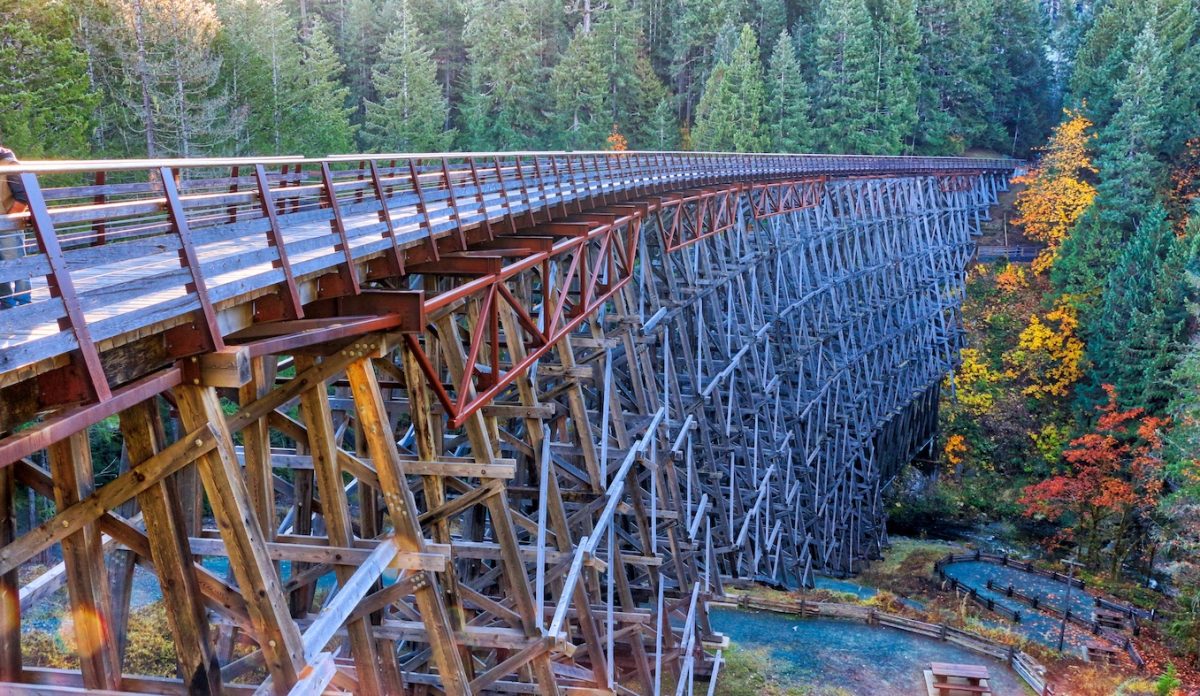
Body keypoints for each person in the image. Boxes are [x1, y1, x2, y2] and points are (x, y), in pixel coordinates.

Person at [0, 147, 32, 308]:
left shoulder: (10, 164)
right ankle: (6, 302)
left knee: (16, 262)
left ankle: (24, 302)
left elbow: (23, 197)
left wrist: (8, 221)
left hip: (8, 224)